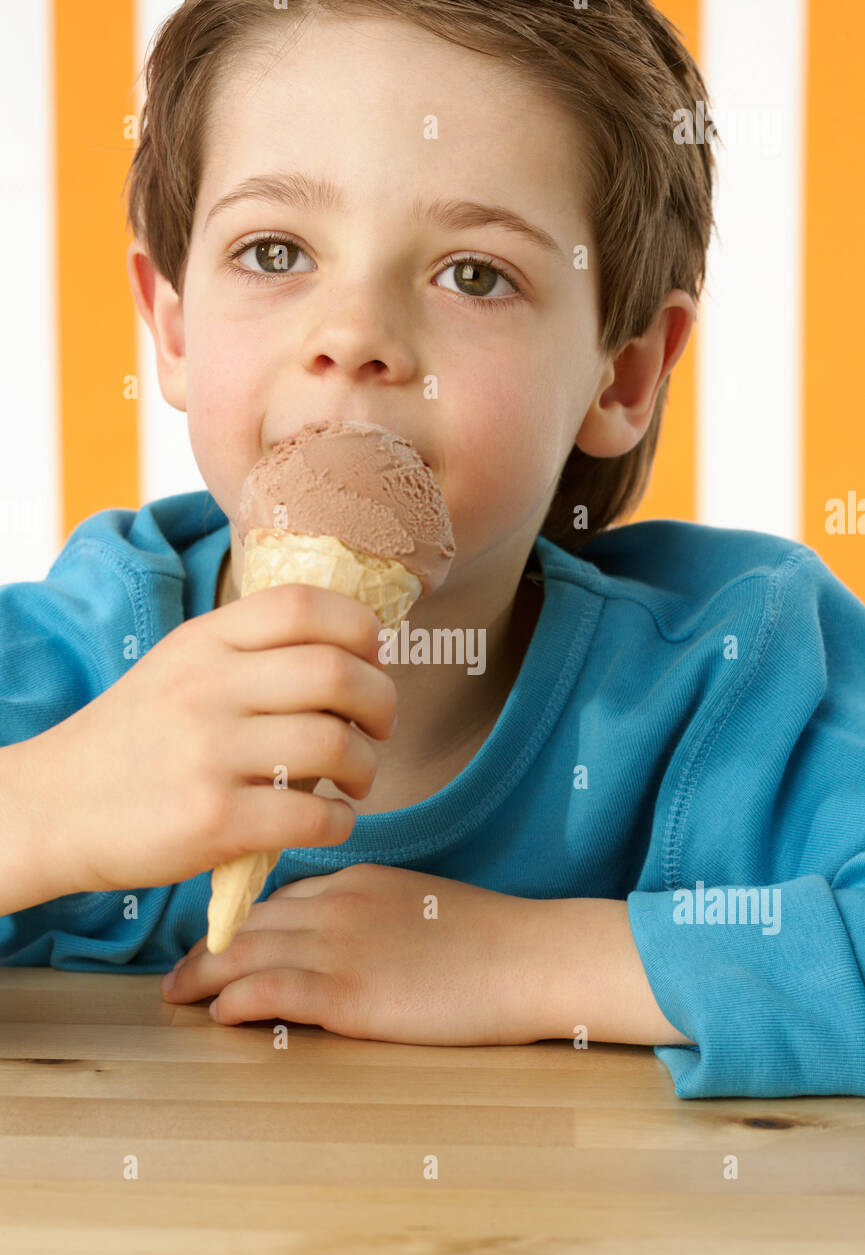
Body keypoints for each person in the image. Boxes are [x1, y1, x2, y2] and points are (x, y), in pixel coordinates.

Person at [2, 0, 863, 1100]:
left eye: (472, 274)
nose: (353, 335)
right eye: (276, 252)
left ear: (623, 374)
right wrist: (38, 813)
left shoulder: (736, 680)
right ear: (170, 324)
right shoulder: (56, 678)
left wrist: (535, 961)